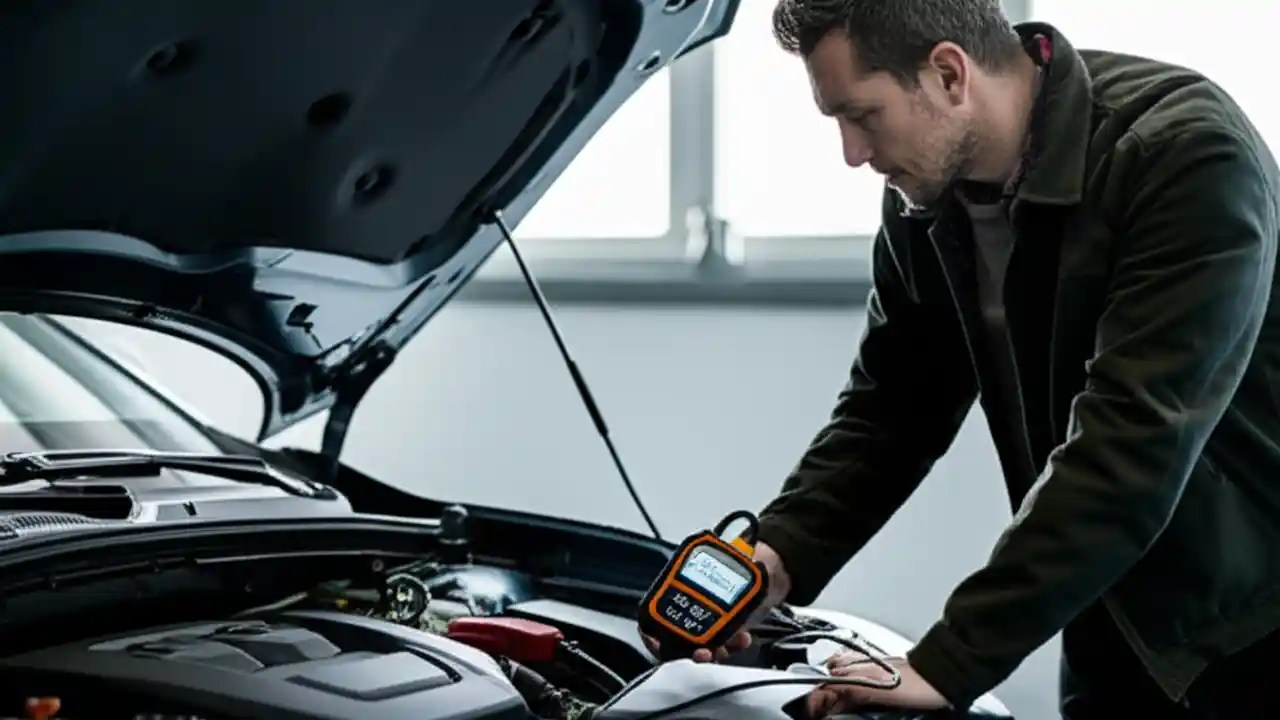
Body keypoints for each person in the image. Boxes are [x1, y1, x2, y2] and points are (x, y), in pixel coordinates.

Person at [642, 0, 1280, 717]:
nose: (853, 153)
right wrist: (779, 558)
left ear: (949, 73)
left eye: (862, 115)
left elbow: (1132, 445)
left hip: (1254, 624)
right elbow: (891, 411)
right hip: (1110, 616)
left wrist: (947, 661)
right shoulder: (927, 198)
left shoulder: (1184, 155)